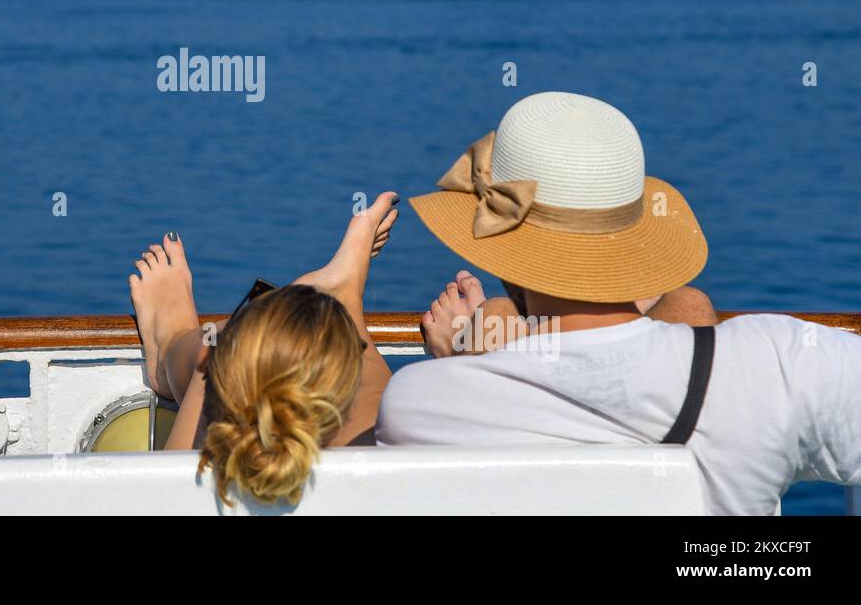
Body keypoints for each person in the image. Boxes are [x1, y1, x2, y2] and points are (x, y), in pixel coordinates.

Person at [376, 91, 861, 515]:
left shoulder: (422, 400)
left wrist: (467, 360)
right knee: (688, 304)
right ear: (630, 241)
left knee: (498, 318)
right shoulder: (776, 362)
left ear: (501, 256)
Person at [128, 191, 399, 506]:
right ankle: (344, 304)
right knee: (382, 393)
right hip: (371, 476)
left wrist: (218, 362)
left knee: (234, 342)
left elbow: (166, 503)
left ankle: (171, 349)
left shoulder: (178, 500)